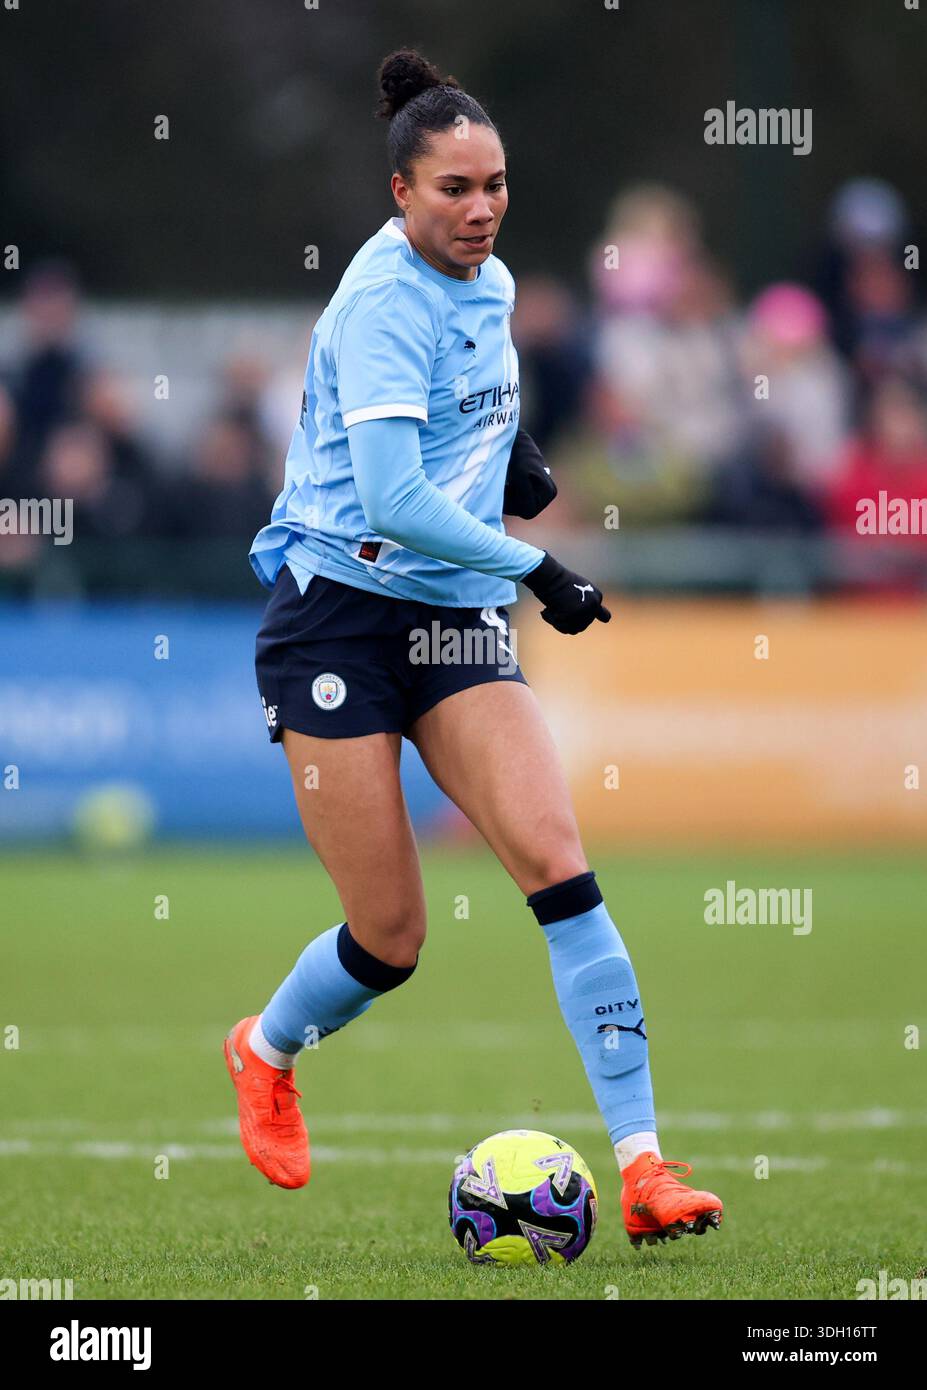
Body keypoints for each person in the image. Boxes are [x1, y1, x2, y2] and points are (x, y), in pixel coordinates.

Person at [224, 47, 723, 1250]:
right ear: (401, 192)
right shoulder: (385, 299)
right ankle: (264, 1046)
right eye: (454, 189)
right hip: (336, 617)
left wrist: (520, 459)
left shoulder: (485, 281)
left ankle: (648, 1167)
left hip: (449, 616)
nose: (482, 207)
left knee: (560, 865)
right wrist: (540, 564)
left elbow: (474, 405)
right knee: (390, 937)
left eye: (495, 184)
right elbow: (392, 499)